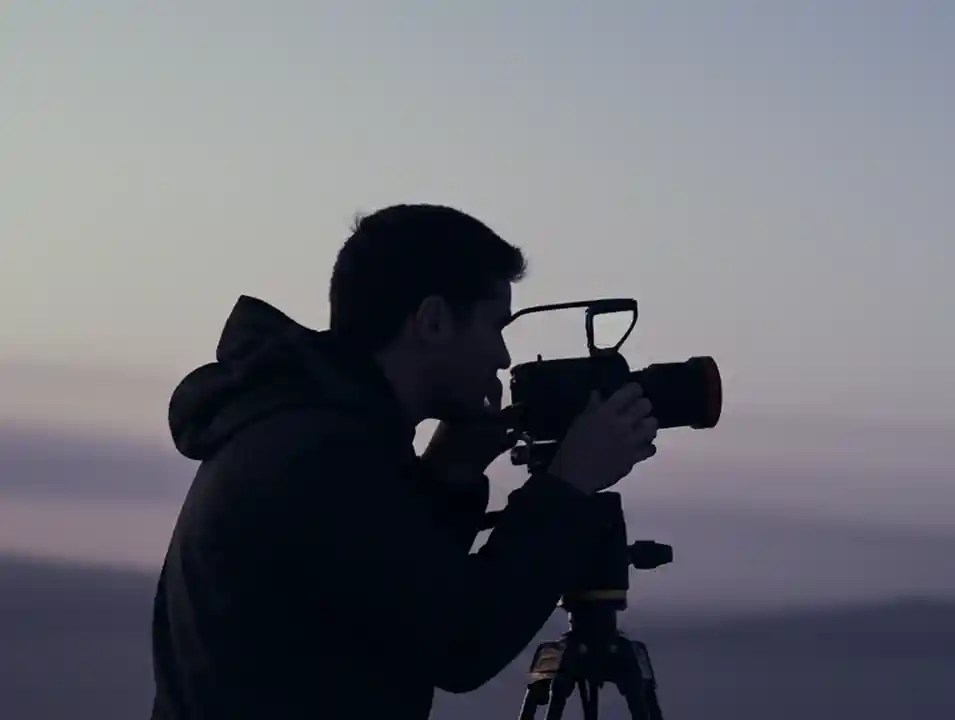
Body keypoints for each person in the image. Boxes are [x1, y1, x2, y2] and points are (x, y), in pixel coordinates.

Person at [149, 204, 659, 719]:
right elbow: (460, 641)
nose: (503, 358)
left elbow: (386, 602)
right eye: (495, 325)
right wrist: (567, 487)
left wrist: (446, 478)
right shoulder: (322, 456)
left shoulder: (299, 430)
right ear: (433, 321)